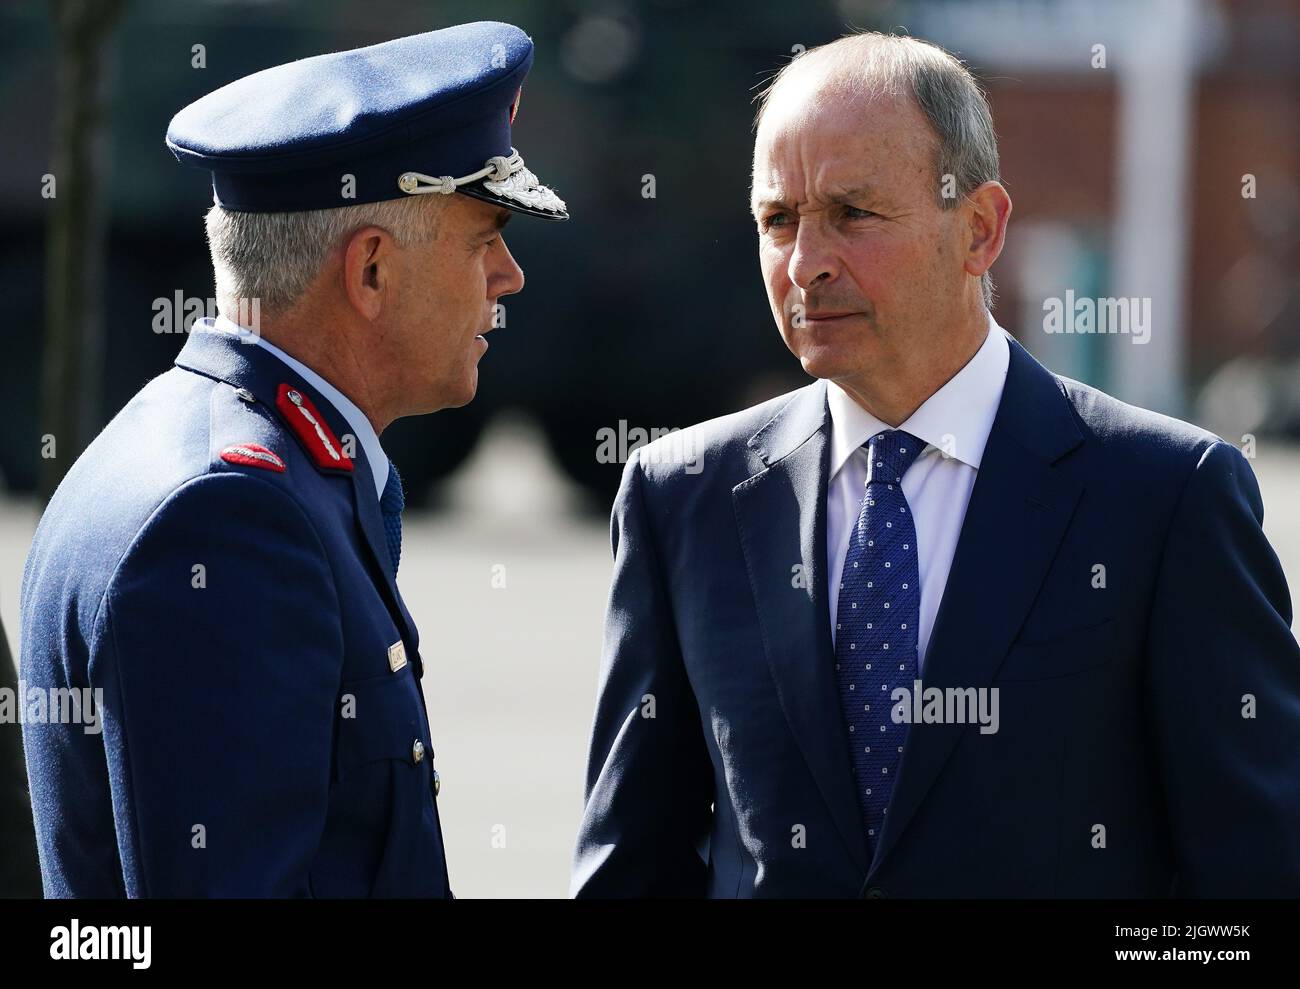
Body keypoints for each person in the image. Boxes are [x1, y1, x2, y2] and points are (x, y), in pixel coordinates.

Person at [572, 31, 1300, 897]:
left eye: (853, 213)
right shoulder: (680, 498)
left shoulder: (1166, 496)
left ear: (981, 229)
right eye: (779, 220)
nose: (807, 264)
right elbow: (631, 868)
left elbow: (1255, 881)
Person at [21, 21, 566, 898]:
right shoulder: (230, 513)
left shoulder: (229, 457)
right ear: (372, 272)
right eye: (483, 237)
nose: (509, 275)